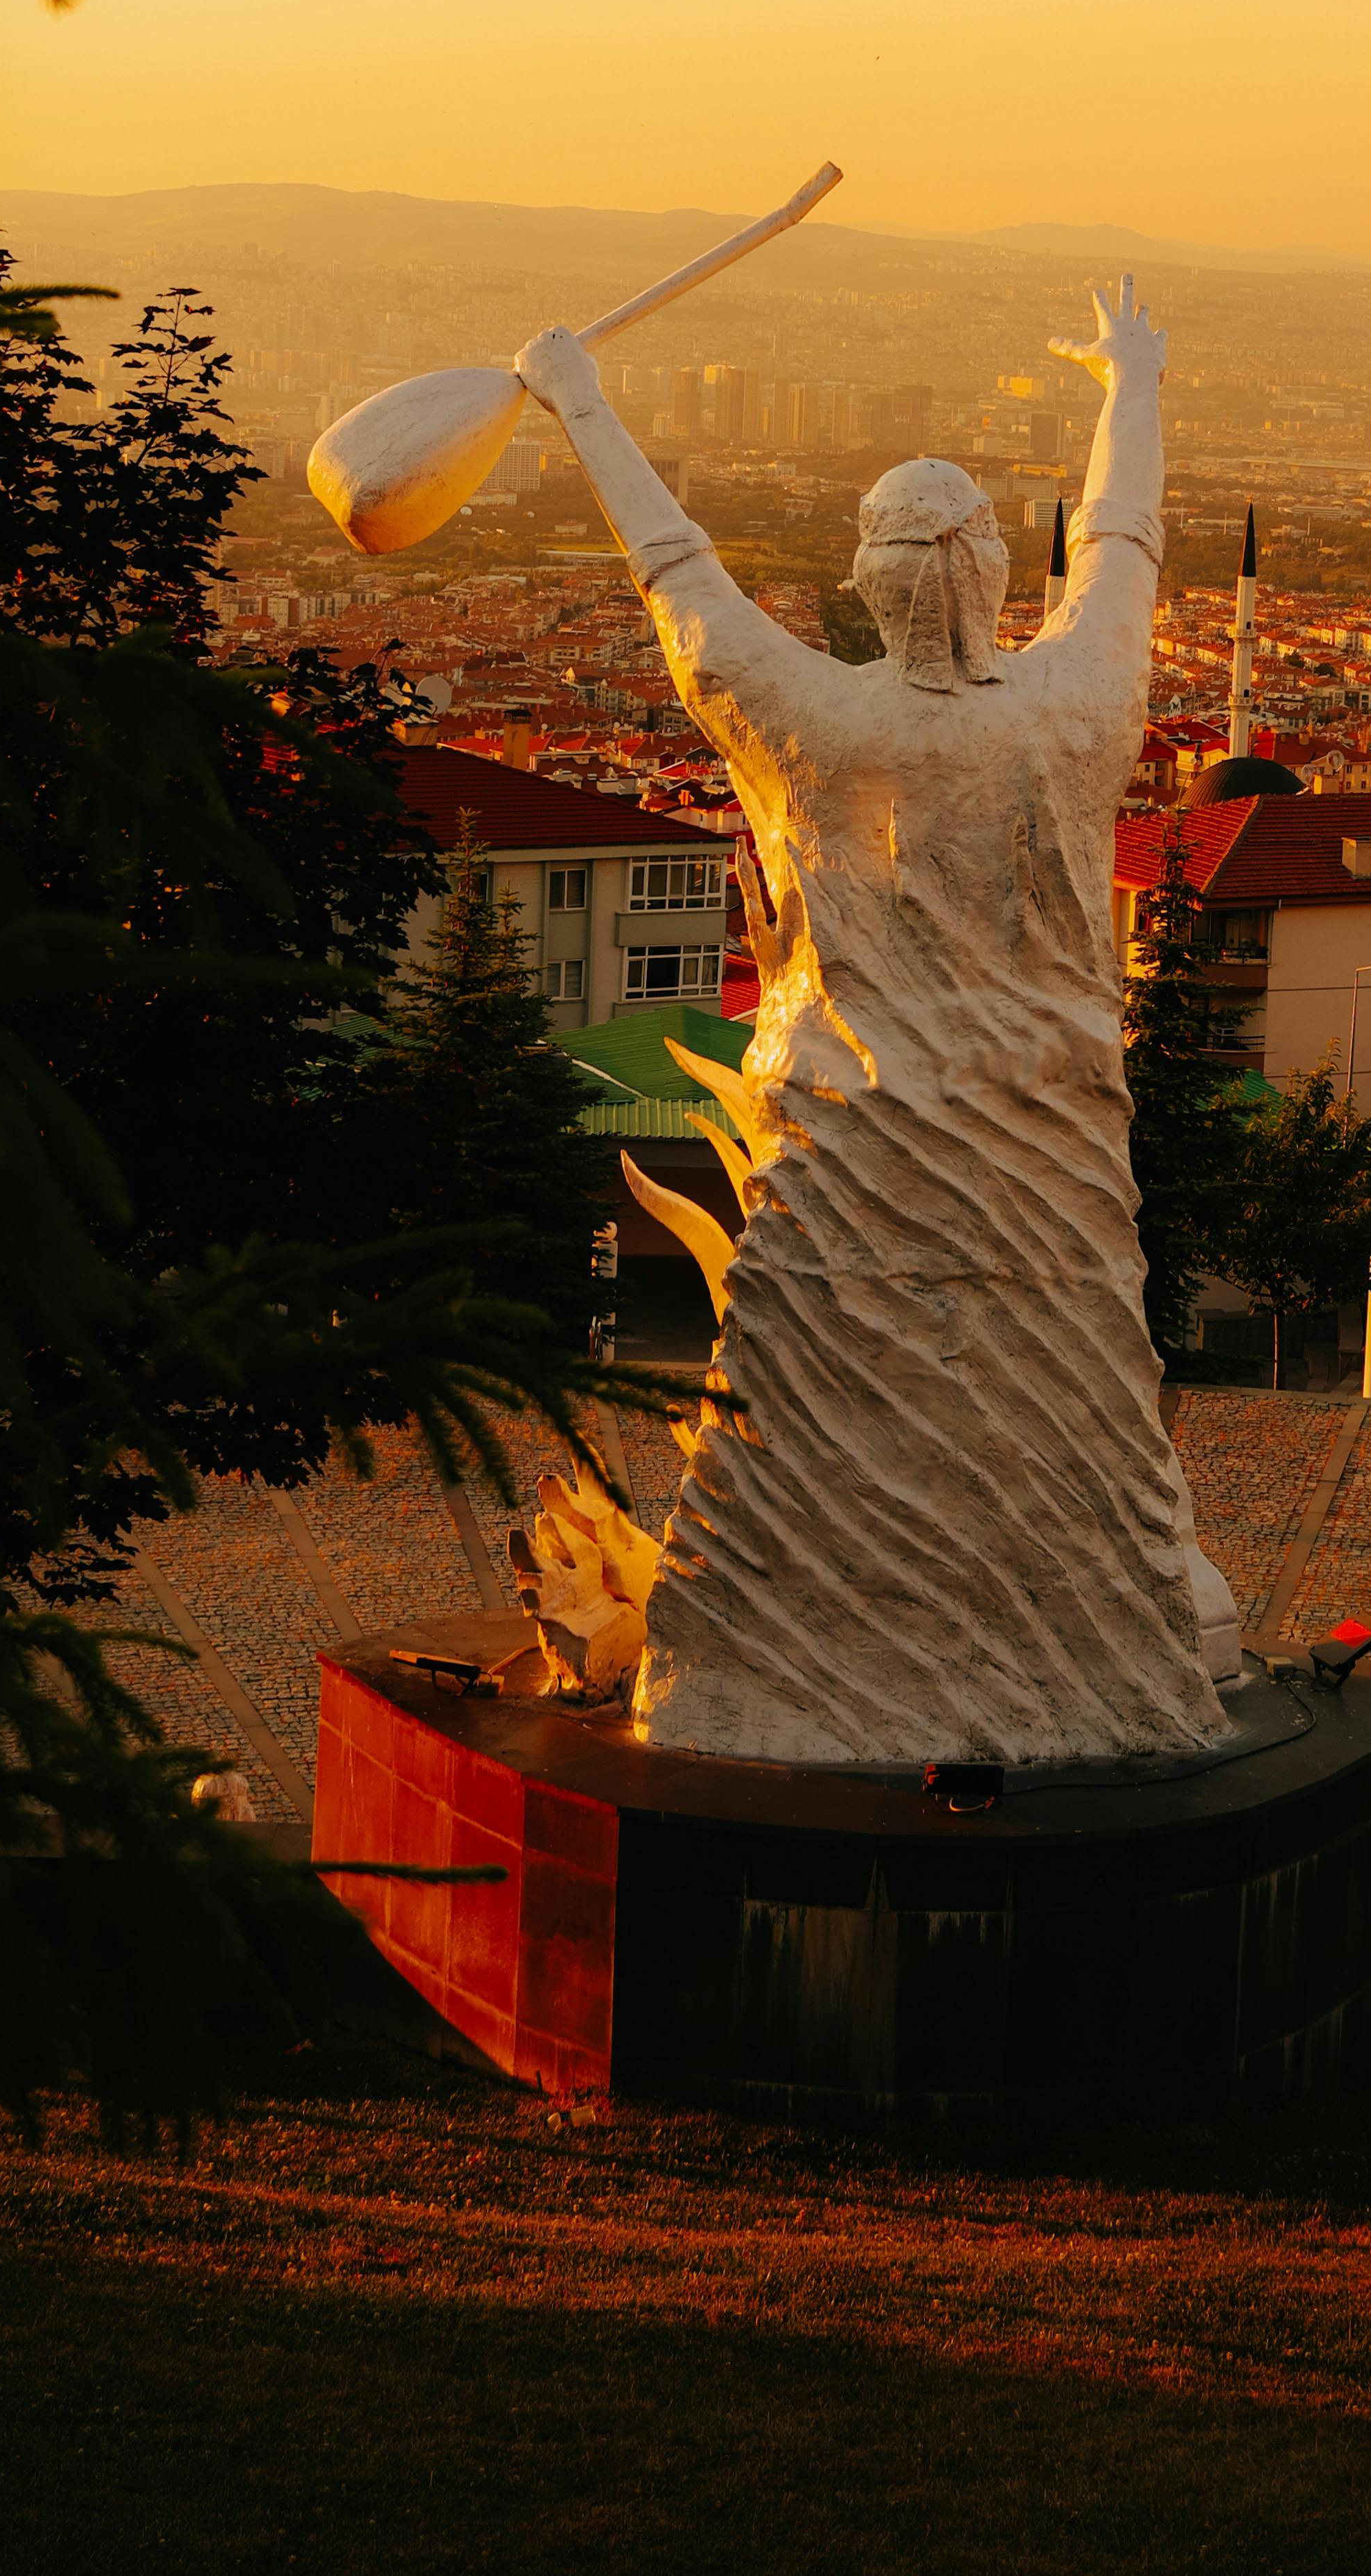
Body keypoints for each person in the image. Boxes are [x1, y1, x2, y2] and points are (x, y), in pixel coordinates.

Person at [512, 278, 1233, 1764]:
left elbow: (679, 575)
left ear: (867, 578)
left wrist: (582, 400)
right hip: (1049, 1147)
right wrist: (1133, 380)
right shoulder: (1077, 704)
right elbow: (1122, 544)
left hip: (848, 1142)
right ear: (985, 569)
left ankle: (774, 1677)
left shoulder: (823, 722)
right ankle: (1090, 1673)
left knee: (817, 1435)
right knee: (1059, 1424)